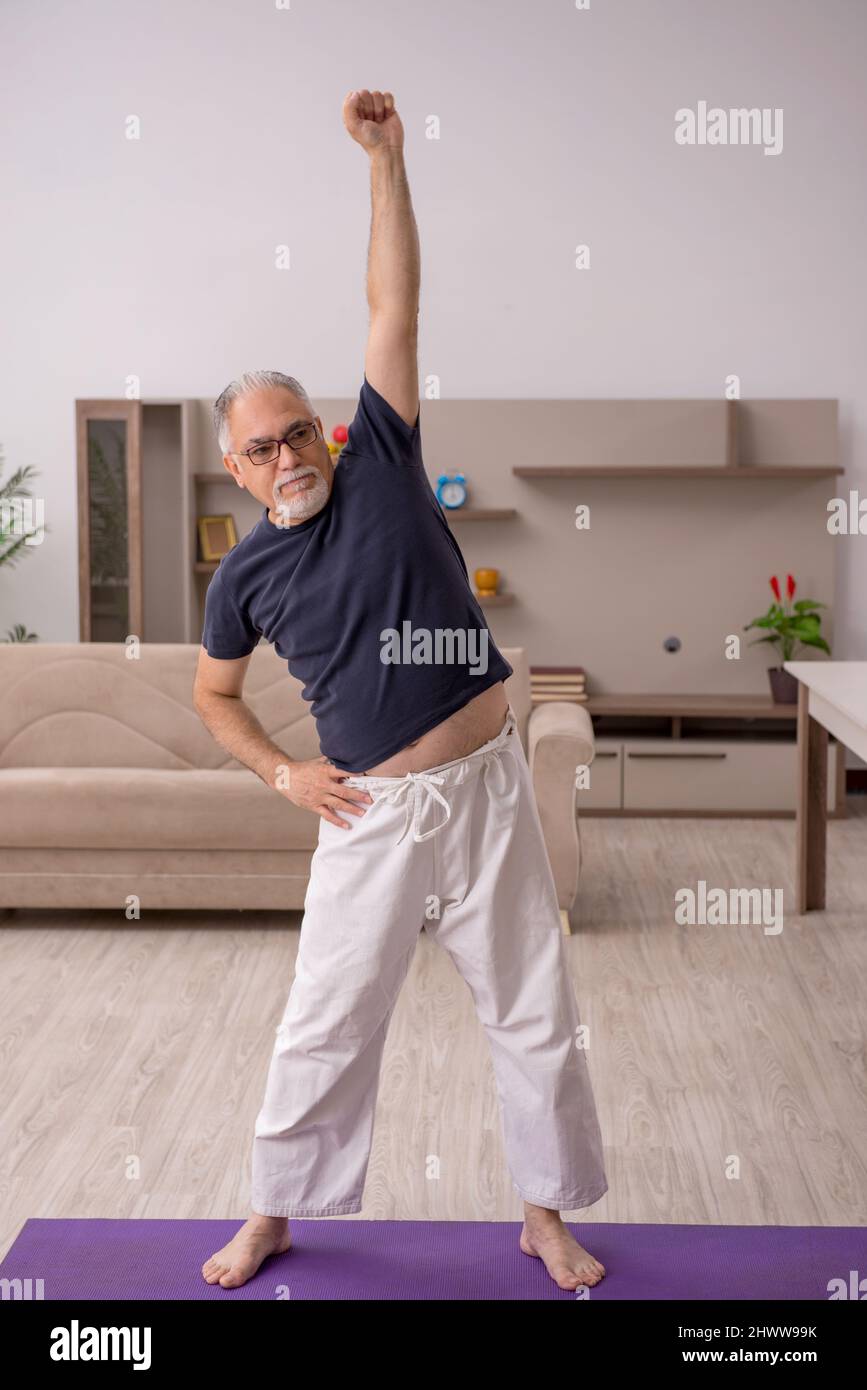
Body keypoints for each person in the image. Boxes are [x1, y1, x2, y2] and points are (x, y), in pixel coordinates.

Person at [194, 89, 607, 1293]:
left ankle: (544, 1215)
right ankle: (275, 1210)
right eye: (259, 446)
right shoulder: (244, 577)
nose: (285, 455)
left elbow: (393, 303)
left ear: (325, 430)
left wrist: (387, 162)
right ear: (236, 466)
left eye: (295, 432)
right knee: (327, 1021)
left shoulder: (383, 457)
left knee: (533, 1006)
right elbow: (213, 698)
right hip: (366, 813)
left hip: (485, 787)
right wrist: (282, 771)